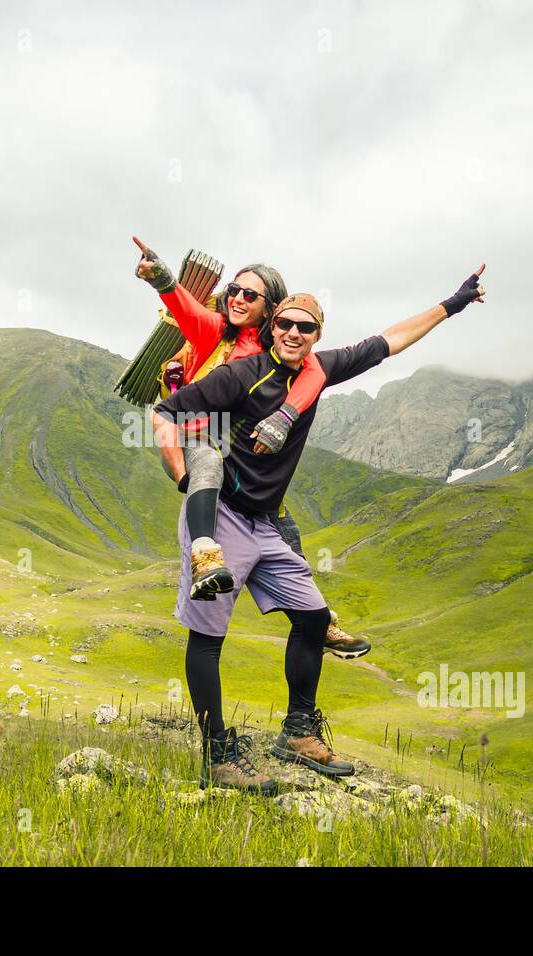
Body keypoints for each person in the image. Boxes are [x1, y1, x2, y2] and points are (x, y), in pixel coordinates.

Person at [150, 267, 487, 792]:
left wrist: (453, 303)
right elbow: (168, 409)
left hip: (268, 525)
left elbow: (391, 340)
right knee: (208, 637)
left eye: (304, 328)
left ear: (316, 337)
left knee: (311, 619)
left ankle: (298, 733)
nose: (292, 333)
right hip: (223, 519)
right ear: (271, 326)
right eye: (284, 324)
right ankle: (216, 753)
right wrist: (185, 469)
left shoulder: (321, 370)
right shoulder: (241, 375)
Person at [132, 237, 370, 659]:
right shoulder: (214, 331)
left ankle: (320, 619)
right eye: (233, 292)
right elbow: (185, 308)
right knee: (206, 470)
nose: (237, 299)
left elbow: (315, 370)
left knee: (283, 525)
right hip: (197, 435)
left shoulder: (279, 348)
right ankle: (205, 556)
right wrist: (162, 277)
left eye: (250, 295)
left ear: (271, 309)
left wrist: (286, 414)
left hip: (238, 453)